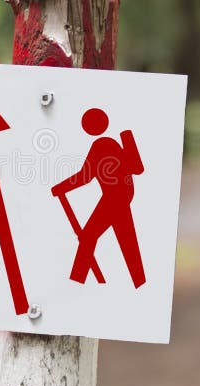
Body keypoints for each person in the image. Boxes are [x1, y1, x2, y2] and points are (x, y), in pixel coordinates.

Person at [51, 108, 146, 287]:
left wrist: (60, 187)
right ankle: (140, 283)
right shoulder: (112, 144)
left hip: (115, 198)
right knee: (127, 241)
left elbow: (85, 176)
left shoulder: (102, 145)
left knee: (88, 237)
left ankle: (76, 283)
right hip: (122, 196)